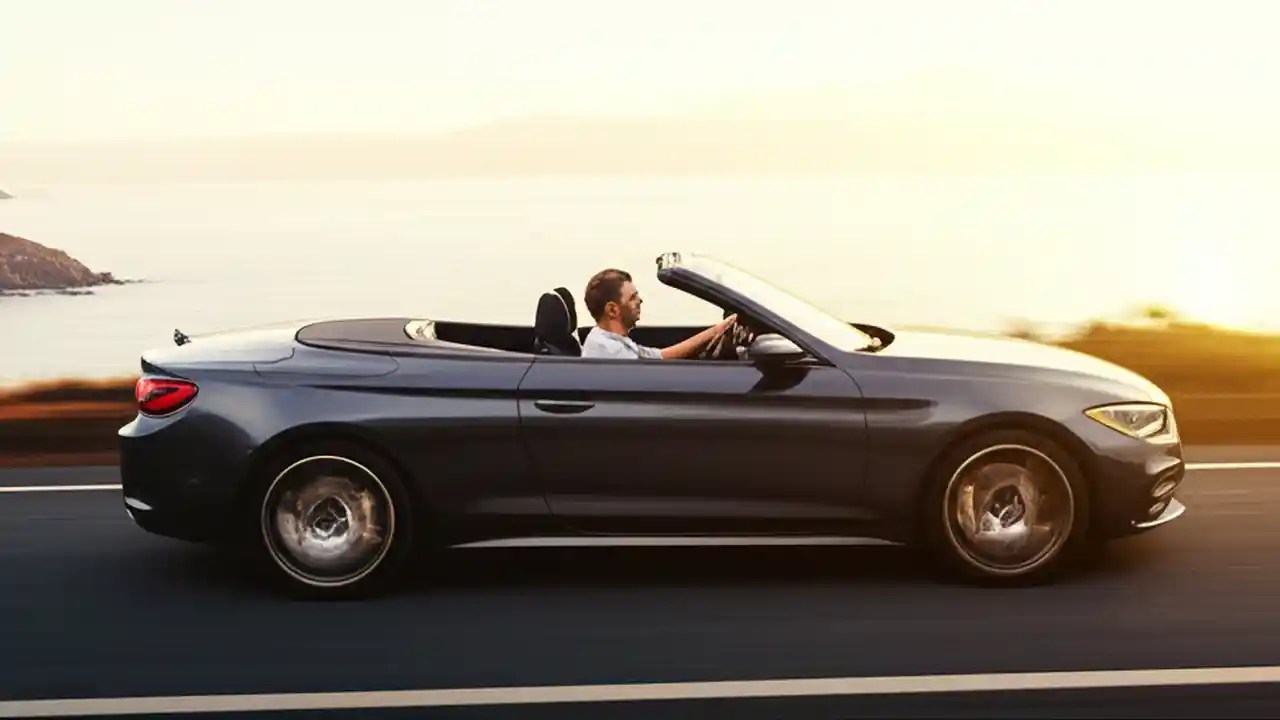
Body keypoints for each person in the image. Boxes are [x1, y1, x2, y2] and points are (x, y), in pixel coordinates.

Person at [580, 268, 736, 360]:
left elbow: (661, 356)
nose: (640, 301)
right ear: (613, 310)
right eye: (632, 298)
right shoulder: (608, 350)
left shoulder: (610, 340)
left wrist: (716, 330)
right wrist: (717, 330)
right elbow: (655, 366)